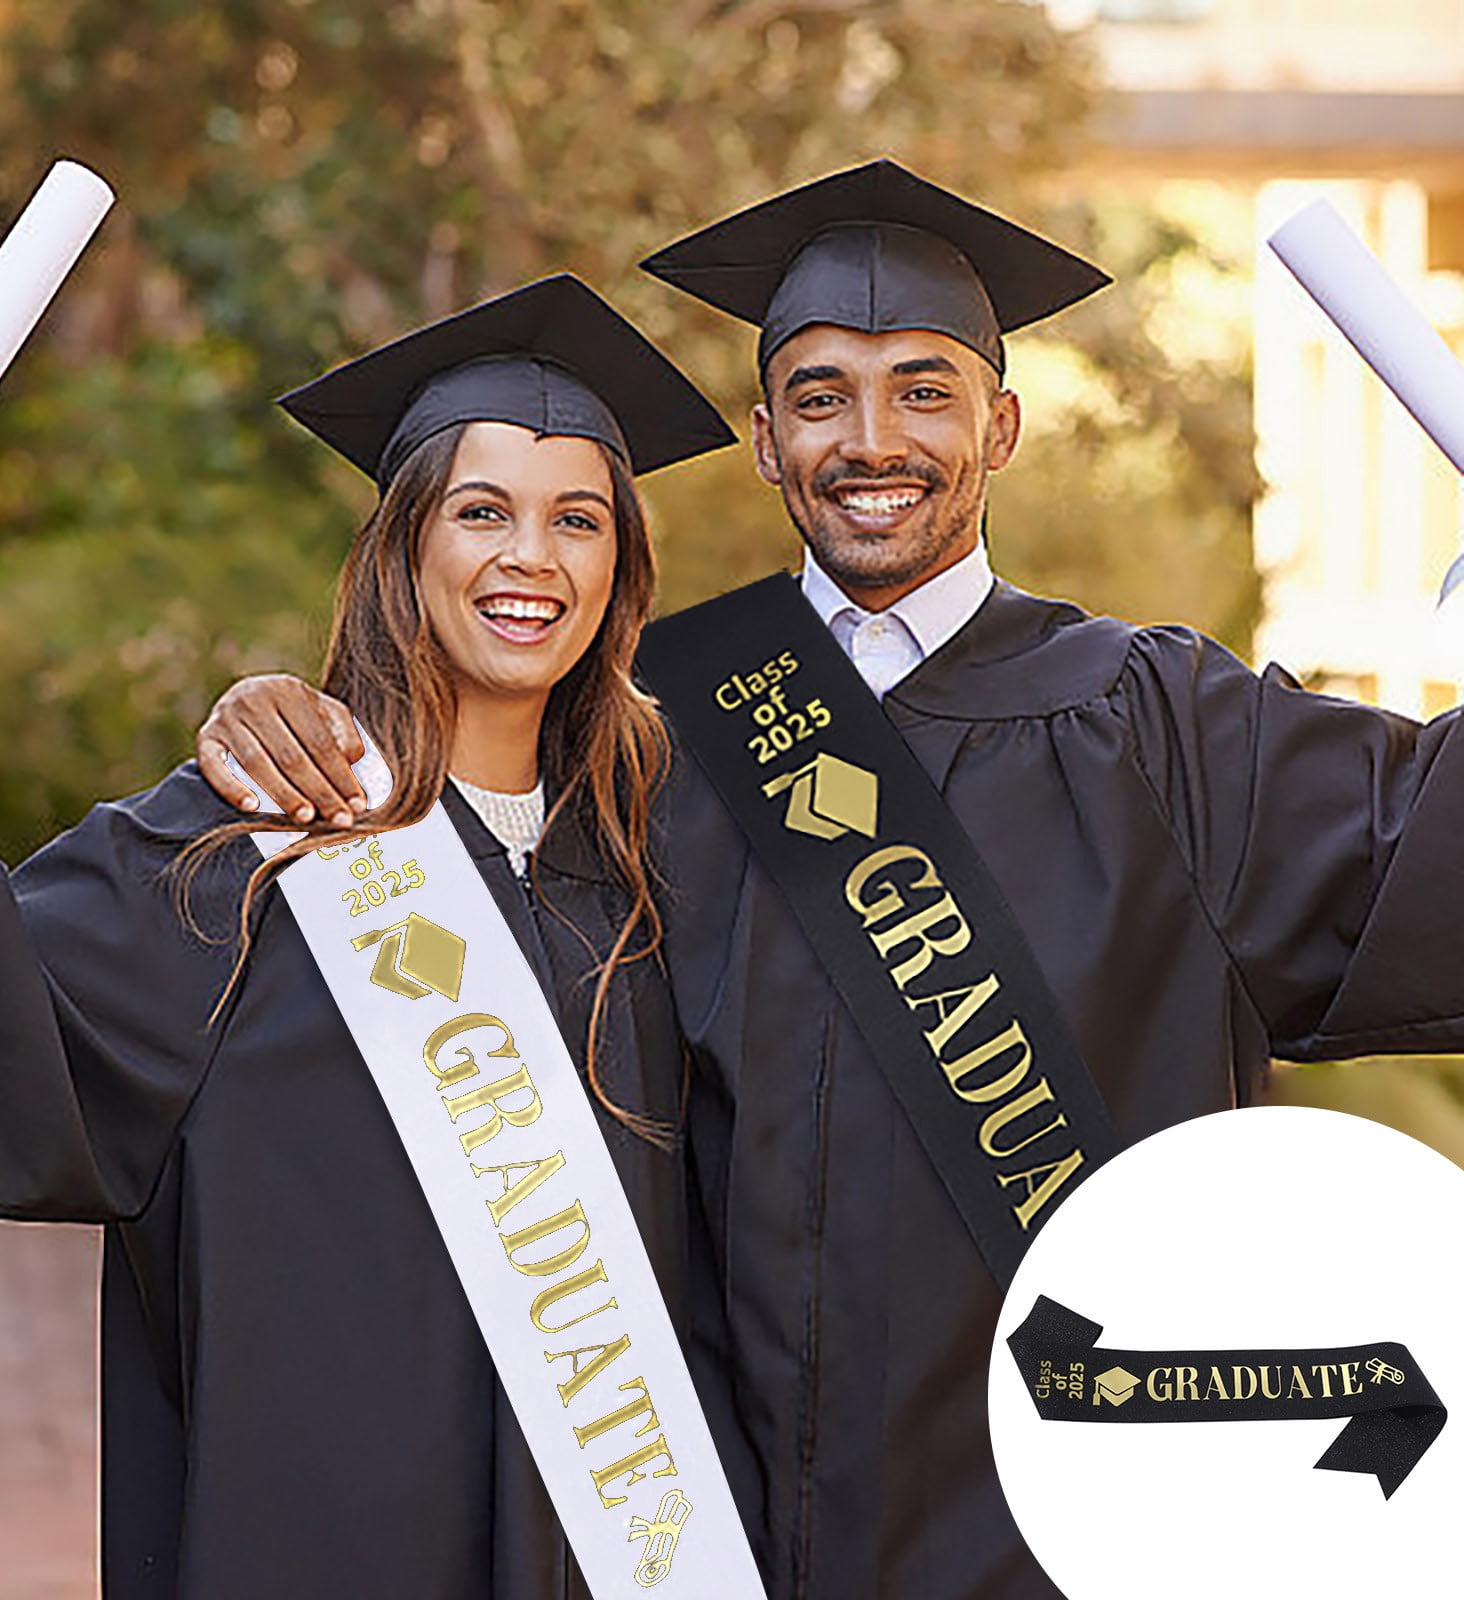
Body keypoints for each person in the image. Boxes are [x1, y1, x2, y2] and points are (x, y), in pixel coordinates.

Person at [194, 162, 1464, 1599]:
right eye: (819, 396)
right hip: (720, 1536)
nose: (873, 440)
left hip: (1072, 1535)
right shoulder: (651, 751)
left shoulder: (1160, 725)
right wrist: (270, 713)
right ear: (762, 440)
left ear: (1002, 426)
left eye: (924, 390)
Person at [0, 274, 748, 1599]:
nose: (532, 558)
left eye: (578, 520)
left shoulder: (661, 875)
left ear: (620, 569)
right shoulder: (252, 846)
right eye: (482, 511)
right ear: (403, 549)